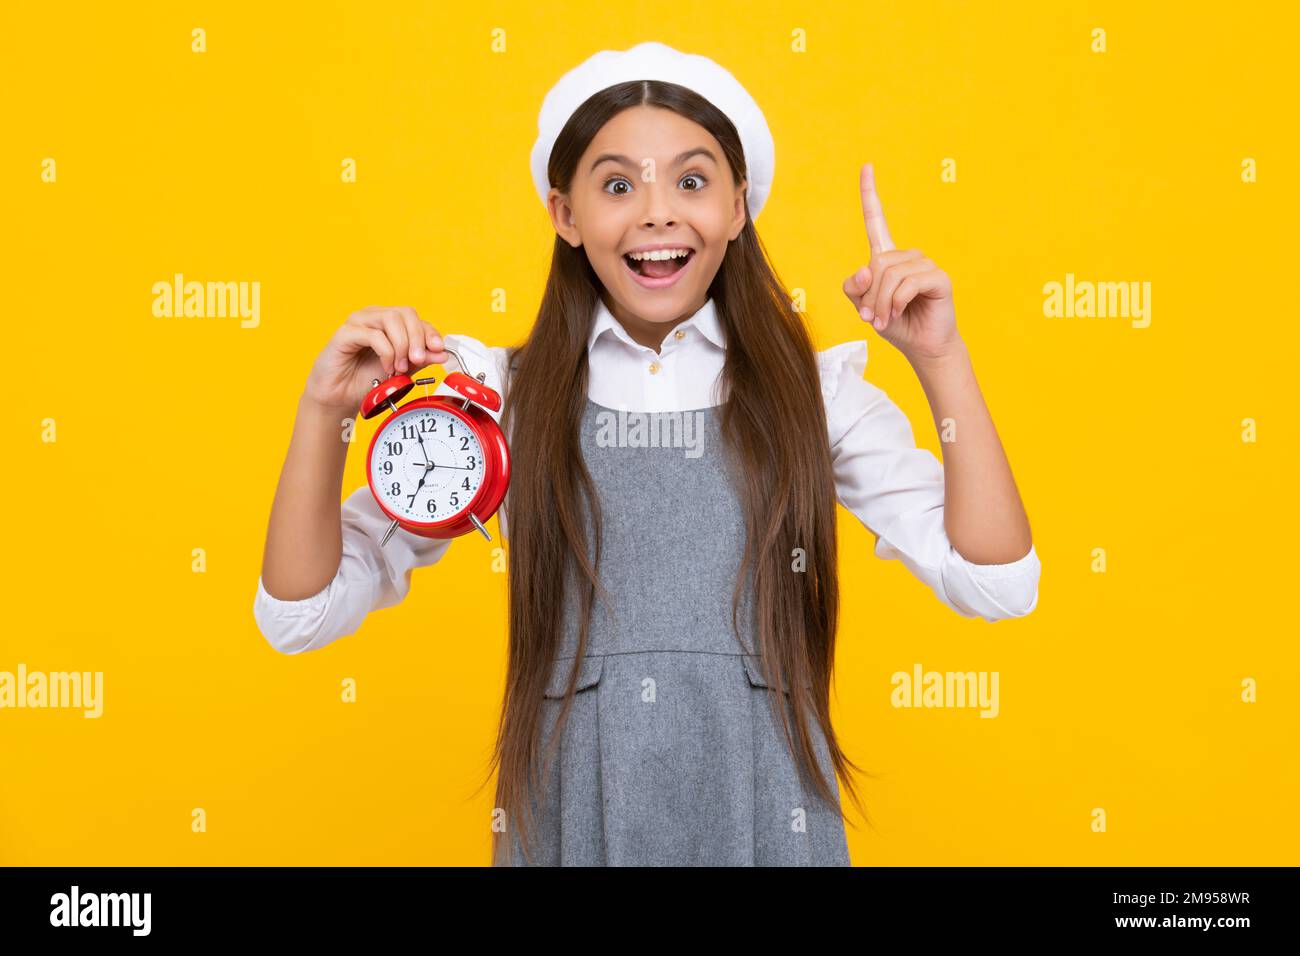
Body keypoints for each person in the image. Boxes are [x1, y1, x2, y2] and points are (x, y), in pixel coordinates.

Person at [253, 41, 1041, 866]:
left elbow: (997, 578)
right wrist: (325, 413)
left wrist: (939, 360)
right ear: (565, 215)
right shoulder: (495, 397)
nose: (659, 212)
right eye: (619, 184)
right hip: (572, 816)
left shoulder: (815, 396)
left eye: (693, 181)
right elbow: (300, 612)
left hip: (770, 821)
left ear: (739, 208)